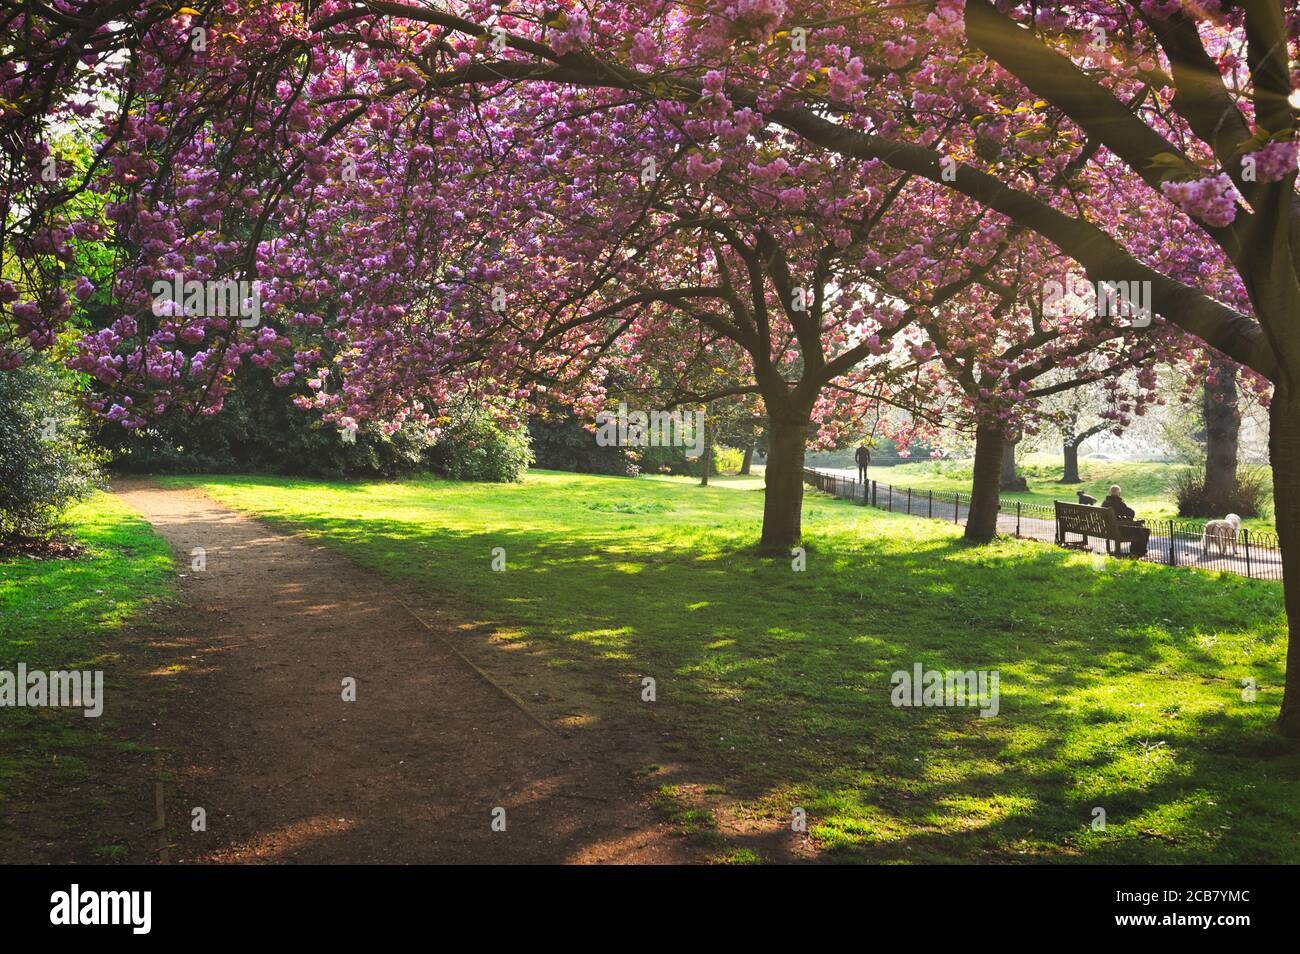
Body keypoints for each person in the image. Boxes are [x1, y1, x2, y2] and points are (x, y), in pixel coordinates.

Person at [1101, 484, 1149, 556]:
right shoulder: (1119, 503)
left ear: (1110, 493)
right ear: (1119, 493)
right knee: (1144, 530)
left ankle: (1135, 551)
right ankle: (1138, 551)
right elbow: (1131, 513)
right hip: (1120, 531)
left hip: (1109, 530)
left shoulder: (1104, 503)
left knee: (1138, 529)